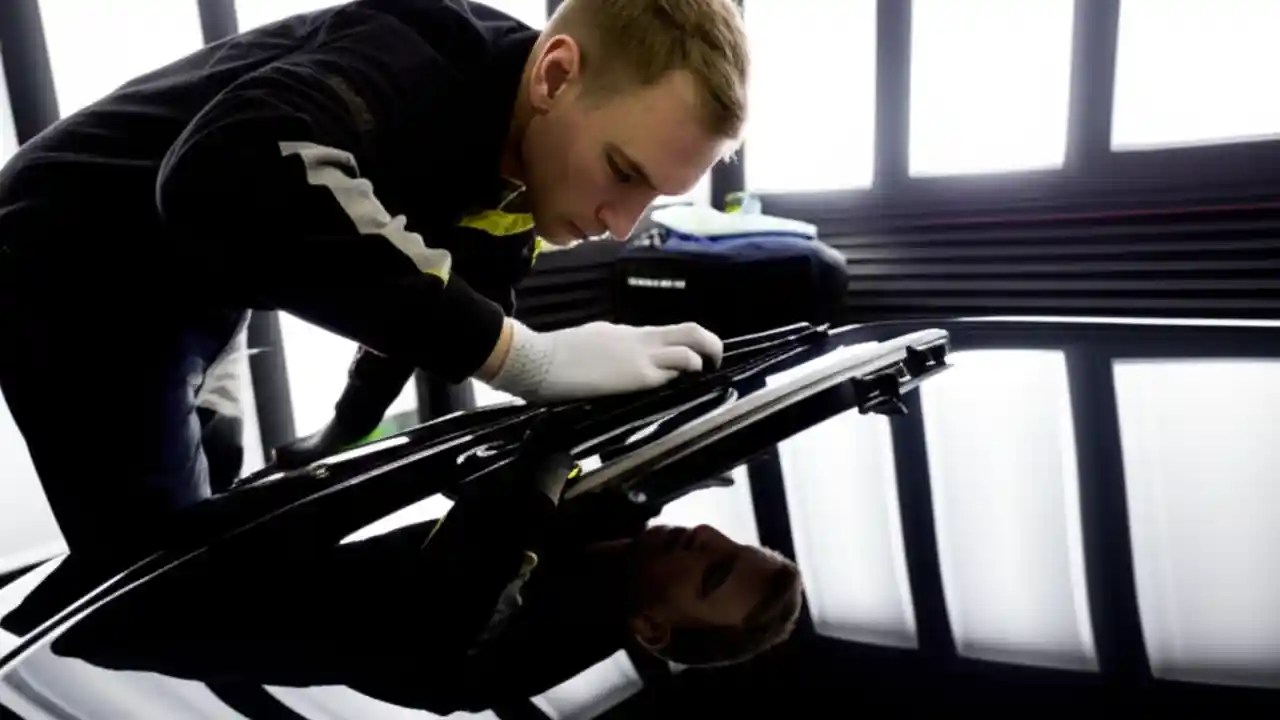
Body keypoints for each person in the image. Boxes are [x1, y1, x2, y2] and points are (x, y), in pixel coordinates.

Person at [0, 0, 750, 557]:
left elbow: (433, 297)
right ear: (555, 75)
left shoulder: (530, 169)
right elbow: (221, 172)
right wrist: (530, 356)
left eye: (653, 197)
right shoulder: (413, 52)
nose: (621, 224)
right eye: (623, 173)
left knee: (220, 494)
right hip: (75, 256)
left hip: (207, 271)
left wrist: (346, 425)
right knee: (160, 563)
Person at [46, 440, 804, 714]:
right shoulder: (629, 538)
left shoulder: (508, 663)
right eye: (726, 544)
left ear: (651, 629)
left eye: (712, 574)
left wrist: (546, 470)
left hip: (147, 605)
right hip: (255, 526)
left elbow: (453, 605)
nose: (704, 540)